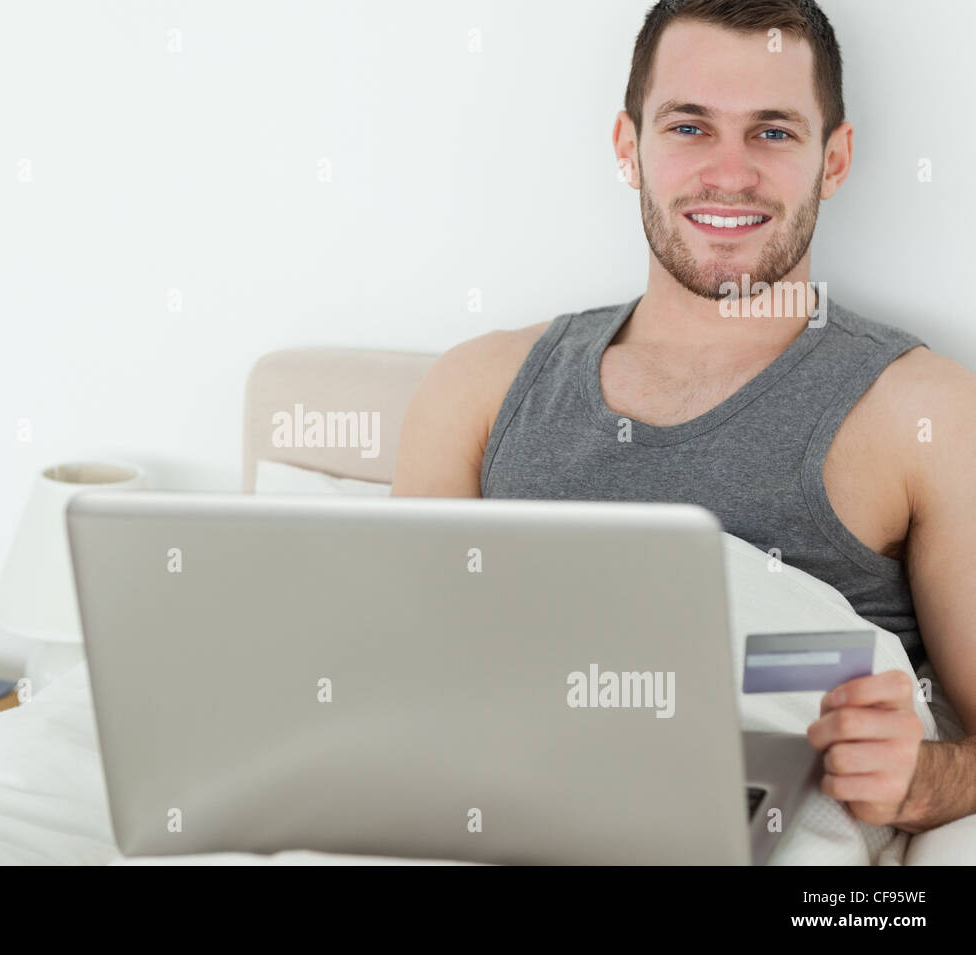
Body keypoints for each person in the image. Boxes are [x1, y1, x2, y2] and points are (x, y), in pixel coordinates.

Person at [392, 0, 976, 835]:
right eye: (690, 128)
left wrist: (921, 780)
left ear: (834, 159)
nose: (729, 175)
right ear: (630, 147)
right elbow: (400, 682)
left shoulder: (924, 414)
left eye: (773, 132)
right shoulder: (477, 391)